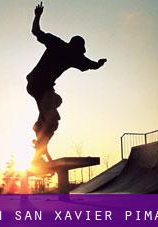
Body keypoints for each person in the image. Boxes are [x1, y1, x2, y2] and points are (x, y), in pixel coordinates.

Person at [27, 2, 107, 165]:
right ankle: (38, 144)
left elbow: (36, 31)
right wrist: (97, 64)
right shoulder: (65, 49)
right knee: (53, 111)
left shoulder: (69, 51)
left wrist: (37, 16)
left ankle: (39, 133)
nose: (78, 55)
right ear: (76, 48)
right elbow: (89, 63)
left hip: (38, 86)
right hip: (38, 84)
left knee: (52, 115)